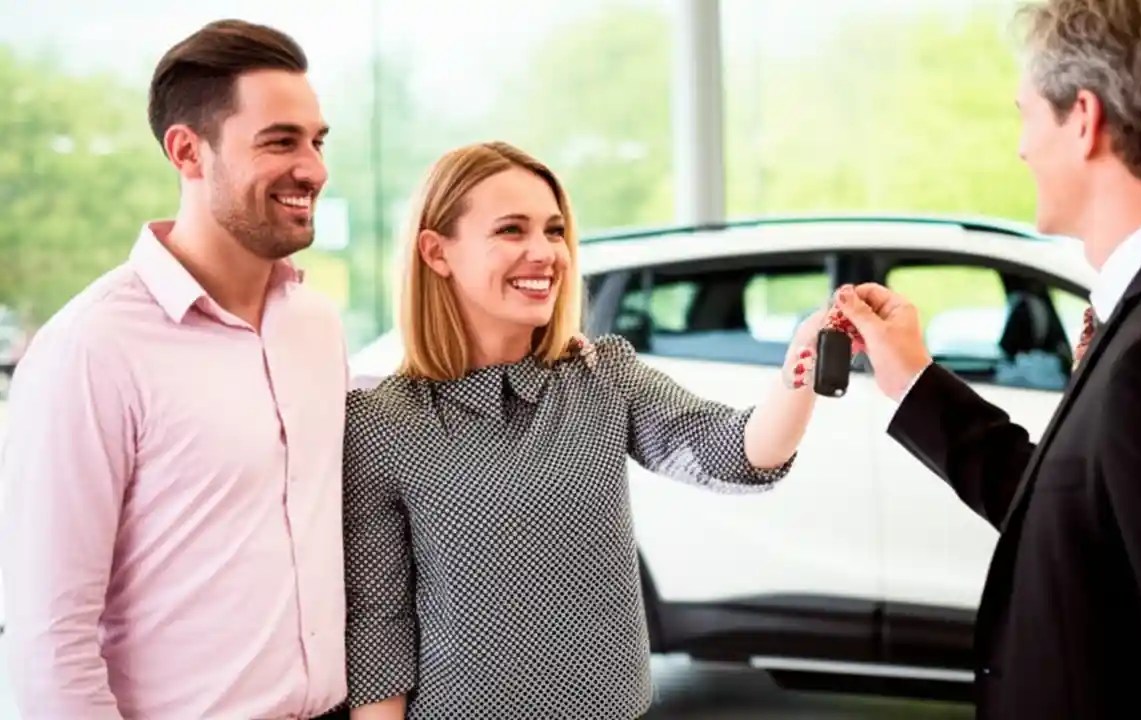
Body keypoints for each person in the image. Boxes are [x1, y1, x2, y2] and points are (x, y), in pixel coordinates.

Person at [835, 0, 1141, 717]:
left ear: (1084, 118)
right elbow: (1079, 520)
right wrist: (916, 384)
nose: (1020, 148)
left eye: (1025, 114)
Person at [341, 141, 829, 719]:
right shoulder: (382, 421)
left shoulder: (603, 375)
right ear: (436, 251)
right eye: (511, 230)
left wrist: (802, 367)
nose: (544, 252)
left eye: (553, 231)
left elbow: (729, 452)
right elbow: (378, 621)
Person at [0, 20, 348, 718]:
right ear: (188, 151)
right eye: (280, 141)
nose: (311, 167)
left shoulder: (316, 325)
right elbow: (47, 638)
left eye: (316, 141)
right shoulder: (92, 347)